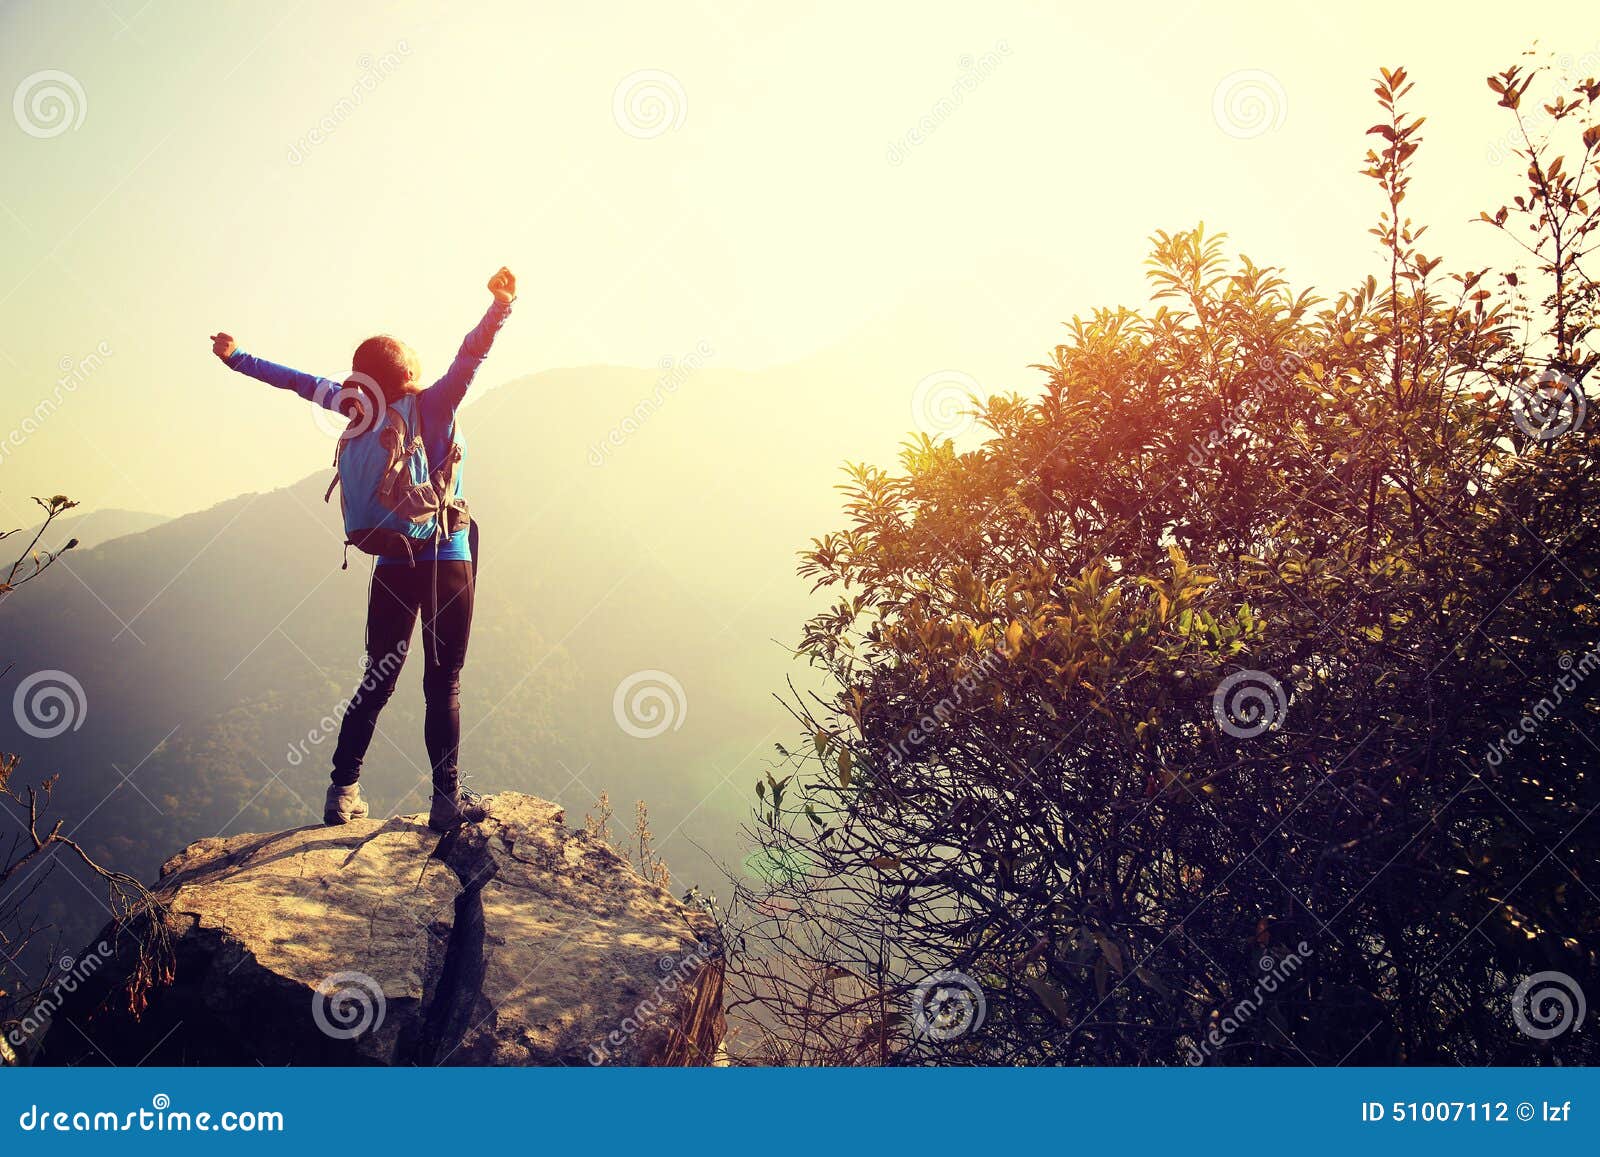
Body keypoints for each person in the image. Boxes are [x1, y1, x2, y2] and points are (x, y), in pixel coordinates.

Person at [209, 267, 516, 832]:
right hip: (445, 557)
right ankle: (446, 801)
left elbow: (296, 380)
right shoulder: (436, 405)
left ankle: (341, 790)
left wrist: (237, 357)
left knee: (378, 676)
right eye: (415, 363)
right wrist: (500, 305)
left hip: (390, 560)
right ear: (406, 372)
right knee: (443, 681)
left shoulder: (357, 410)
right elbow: (471, 357)